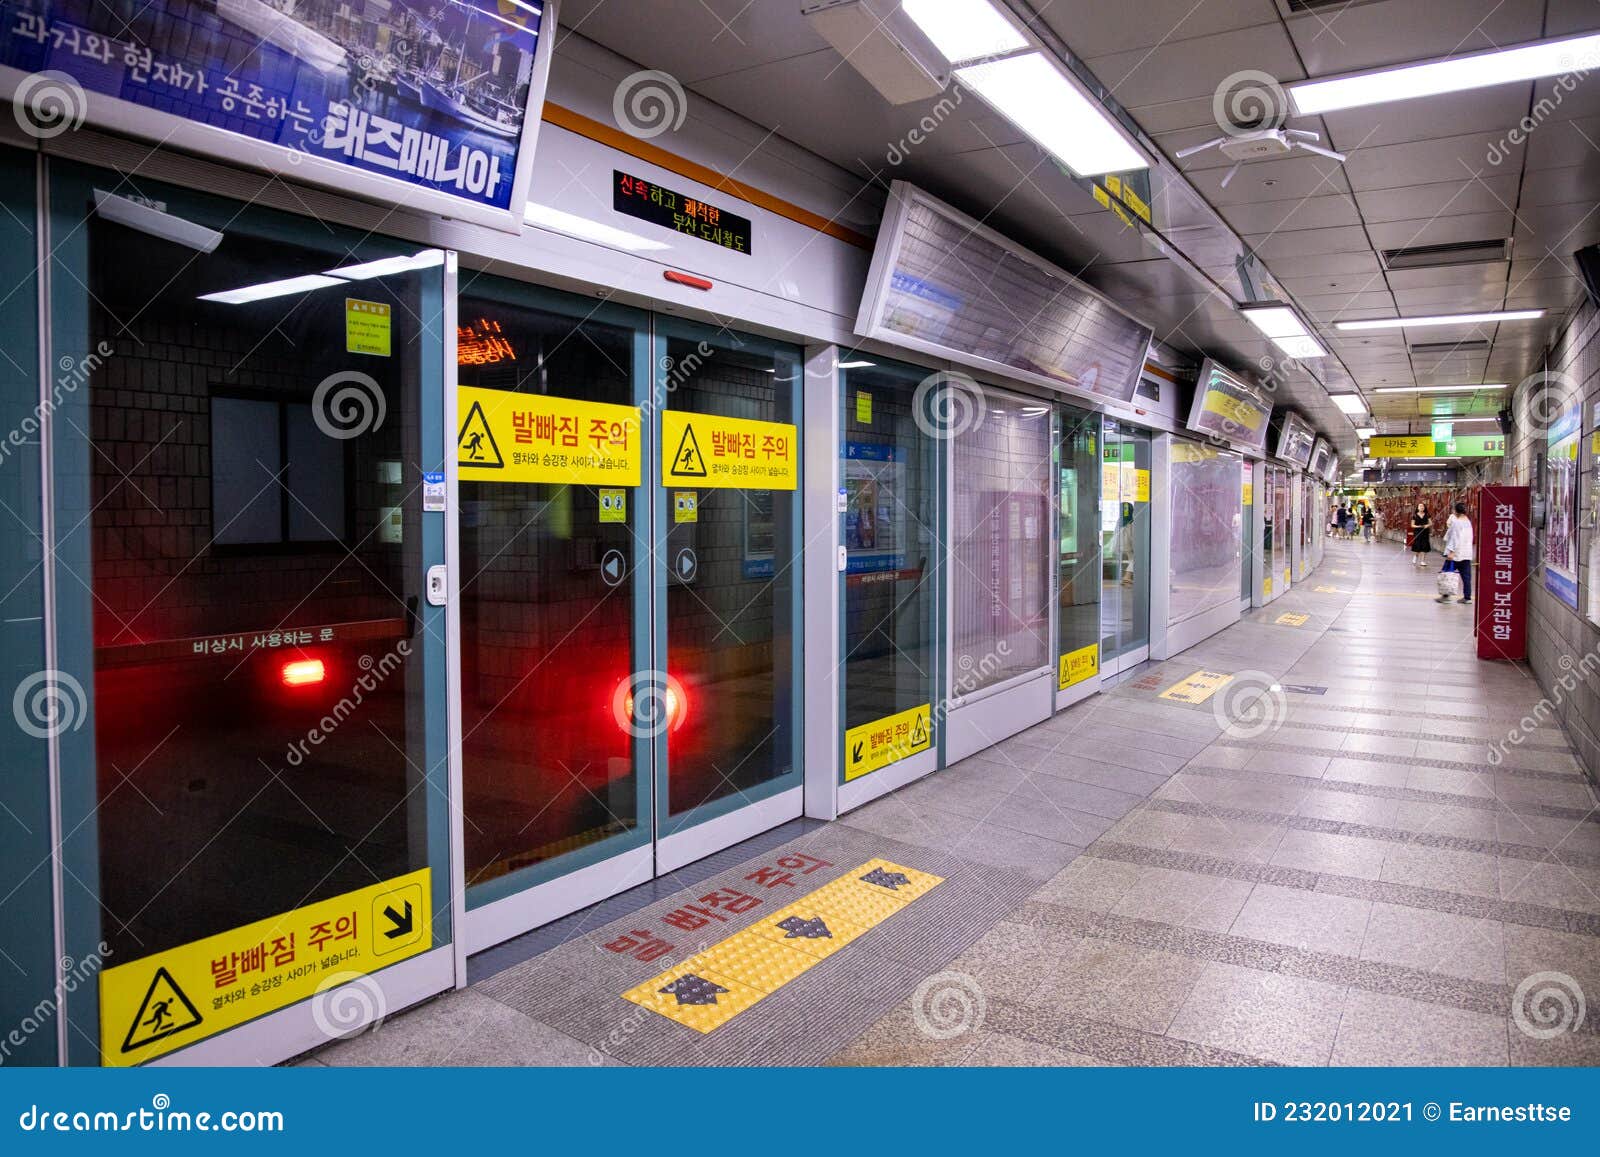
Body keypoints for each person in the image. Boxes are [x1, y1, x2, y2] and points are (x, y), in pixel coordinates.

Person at [1442, 501, 1474, 604]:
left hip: (1456, 554)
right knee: (1466, 577)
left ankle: (1446, 596)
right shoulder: (1468, 522)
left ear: (1455, 511)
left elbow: (1454, 538)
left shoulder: (1457, 522)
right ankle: (1467, 597)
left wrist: (1451, 552)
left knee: (1447, 573)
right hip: (1467, 553)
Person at [1409, 502, 1432, 567]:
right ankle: (1415, 557)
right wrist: (1419, 526)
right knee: (1418, 546)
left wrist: (1427, 525)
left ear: (1424, 508)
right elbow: (1412, 525)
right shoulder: (1415, 515)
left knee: (1424, 546)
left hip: (1425, 532)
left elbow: (1430, 523)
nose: (1421, 507)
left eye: (1423, 506)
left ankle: (1422, 561)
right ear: (1418, 508)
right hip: (1417, 532)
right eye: (1420, 506)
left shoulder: (1427, 515)